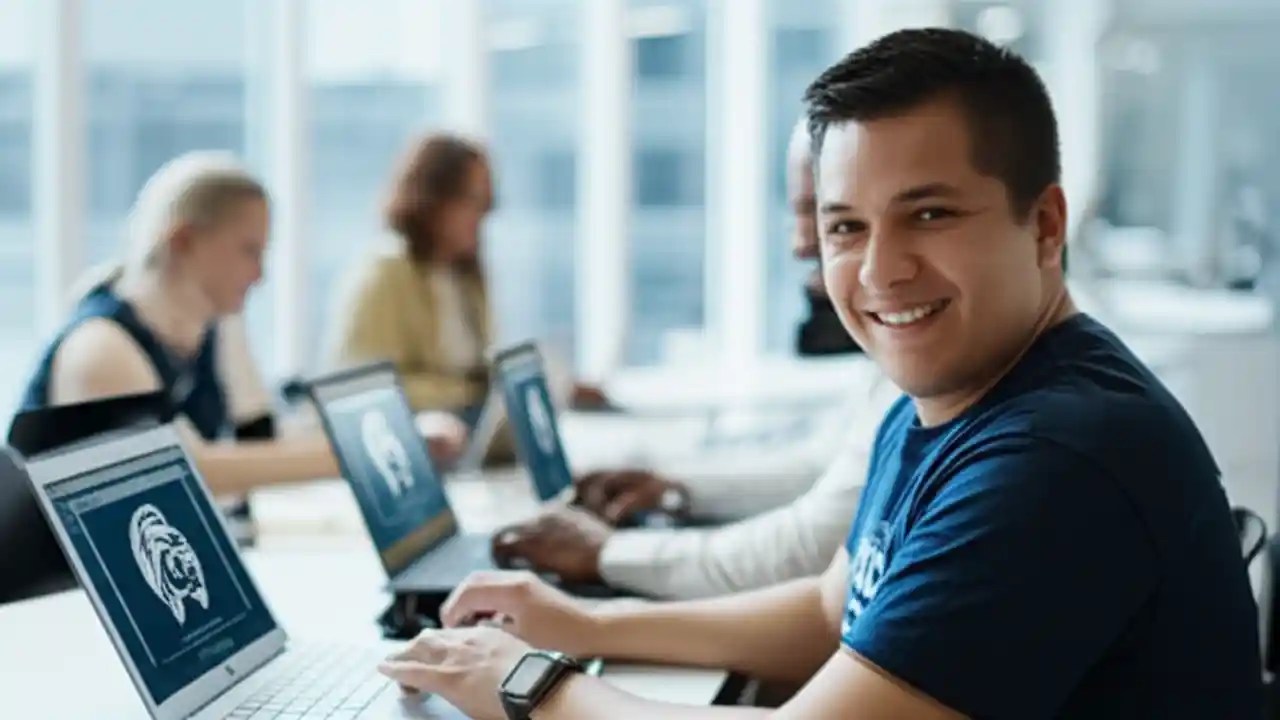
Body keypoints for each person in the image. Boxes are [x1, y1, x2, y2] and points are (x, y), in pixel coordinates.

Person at [374, 29, 1264, 719]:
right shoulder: (947, 399)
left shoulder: (1061, 453)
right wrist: (583, 624)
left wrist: (533, 682)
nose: (879, 270)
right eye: (846, 227)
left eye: (929, 213)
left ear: (1044, 224)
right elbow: (829, 609)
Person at [485, 119, 899, 600]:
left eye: (829, 218)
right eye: (811, 216)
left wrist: (607, 557)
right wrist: (674, 488)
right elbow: (819, 470)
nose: (800, 242)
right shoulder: (894, 369)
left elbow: (812, 543)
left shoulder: (926, 375)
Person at [19, 152, 467, 505]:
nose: (260, 274)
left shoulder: (214, 328)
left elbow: (260, 437)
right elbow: (191, 471)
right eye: (249, 251)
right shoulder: (100, 348)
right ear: (183, 241)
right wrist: (374, 449)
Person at [327, 133, 606, 433]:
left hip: (468, 427)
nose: (483, 217)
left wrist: (551, 388)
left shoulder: (465, 276)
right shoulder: (385, 272)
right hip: (417, 433)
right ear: (433, 199)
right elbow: (361, 386)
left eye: (489, 204)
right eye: (474, 202)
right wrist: (468, 394)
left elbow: (479, 368)